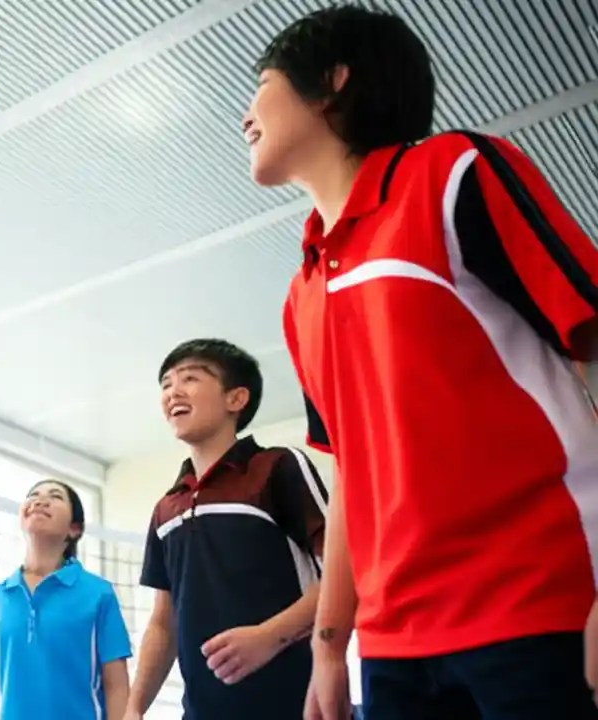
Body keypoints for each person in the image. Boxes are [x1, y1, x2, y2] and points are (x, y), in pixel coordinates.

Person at [244, 5, 598, 719]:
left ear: (331, 83)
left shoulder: (455, 172)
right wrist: (328, 644)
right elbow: (352, 473)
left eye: (260, 84)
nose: (245, 115)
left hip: (537, 604)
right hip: (393, 647)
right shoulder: (300, 292)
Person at [125, 339, 328, 720]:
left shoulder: (277, 467)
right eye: (166, 384)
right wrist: (134, 706)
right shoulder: (166, 509)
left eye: (190, 378)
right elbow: (162, 623)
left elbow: (343, 574)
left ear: (236, 399)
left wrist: (271, 636)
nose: (173, 392)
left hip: (294, 704)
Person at [0, 478, 132, 720]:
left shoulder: (99, 594)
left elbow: (116, 686)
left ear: (74, 529)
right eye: (34, 495)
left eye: (55, 496)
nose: (40, 500)